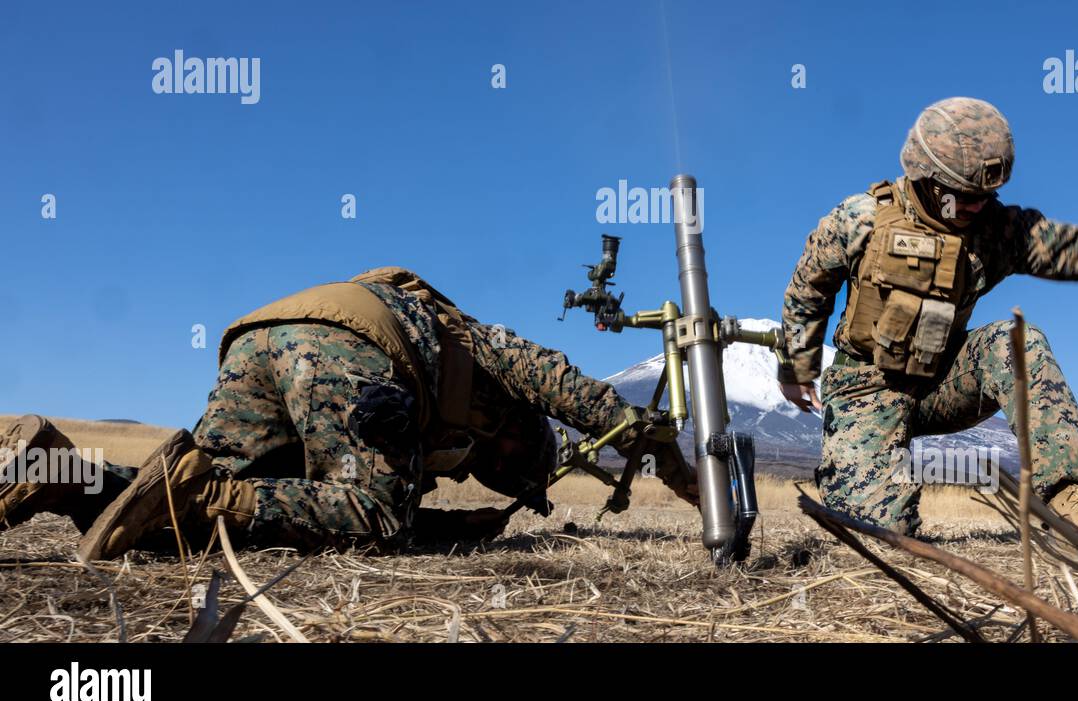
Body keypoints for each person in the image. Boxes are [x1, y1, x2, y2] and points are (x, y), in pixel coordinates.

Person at [0, 267, 695, 559]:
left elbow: (326, 501)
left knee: (172, 526)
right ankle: (203, 489)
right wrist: (659, 445)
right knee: (374, 515)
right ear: (520, 431)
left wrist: (459, 526)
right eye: (515, 463)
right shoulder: (479, 346)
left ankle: (60, 472)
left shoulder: (442, 437)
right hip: (343, 345)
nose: (499, 468)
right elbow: (565, 380)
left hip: (260, 337)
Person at [778, 98, 1078, 553]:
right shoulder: (860, 217)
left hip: (941, 384)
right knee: (879, 539)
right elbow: (808, 290)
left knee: (1016, 341)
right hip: (866, 389)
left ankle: (1071, 509)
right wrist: (795, 367)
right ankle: (874, 494)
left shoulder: (995, 229)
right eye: (967, 196)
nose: (979, 206)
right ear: (927, 177)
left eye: (987, 196)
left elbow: (1073, 248)